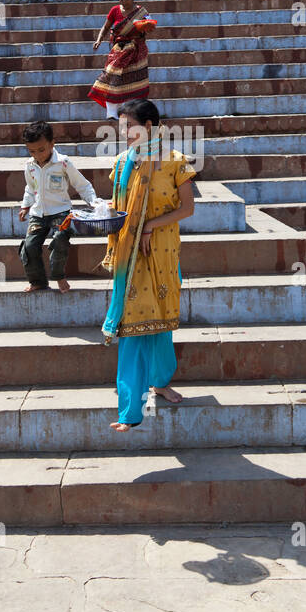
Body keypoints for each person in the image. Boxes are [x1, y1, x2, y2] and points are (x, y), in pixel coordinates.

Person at [102, 99, 196, 432]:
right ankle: (130, 409)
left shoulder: (174, 163)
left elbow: (187, 209)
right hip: (131, 258)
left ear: (152, 127)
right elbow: (118, 209)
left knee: (161, 324)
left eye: (130, 125)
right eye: (121, 126)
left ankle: (160, 381)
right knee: (133, 330)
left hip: (162, 253)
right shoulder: (121, 162)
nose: (124, 132)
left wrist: (150, 225)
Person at [19, 119, 101, 293]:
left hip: (60, 212)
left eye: (41, 150)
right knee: (29, 247)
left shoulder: (63, 163)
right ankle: (38, 281)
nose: (38, 155)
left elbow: (82, 185)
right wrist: (25, 206)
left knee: (60, 239)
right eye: (32, 151)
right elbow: (30, 187)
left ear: (52, 144)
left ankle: (58, 275)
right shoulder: (29, 165)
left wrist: (93, 202)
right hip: (38, 214)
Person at [89, 0, 157, 117]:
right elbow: (106, 27)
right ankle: (111, 113)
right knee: (111, 78)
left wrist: (147, 27)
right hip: (119, 49)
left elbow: (150, 27)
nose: (124, 2)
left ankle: (136, 113)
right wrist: (99, 40)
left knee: (136, 81)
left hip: (137, 50)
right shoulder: (114, 10)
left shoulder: (142, 12)